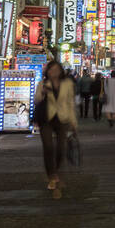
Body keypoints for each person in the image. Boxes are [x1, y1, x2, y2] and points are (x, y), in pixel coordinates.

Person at [35, 60, 77, 198]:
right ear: (47, 71)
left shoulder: (68, 84)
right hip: (46, 118)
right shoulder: (43, 83)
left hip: (62, 118)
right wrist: (42, 92)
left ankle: (56, 170)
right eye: (51, 70)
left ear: (61, 71)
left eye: (56, 70)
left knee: (61, 148)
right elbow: (36, 100)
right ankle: (51, 176)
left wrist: (73, 121)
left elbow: (70, 103)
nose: (53, 72)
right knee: (48, 147)